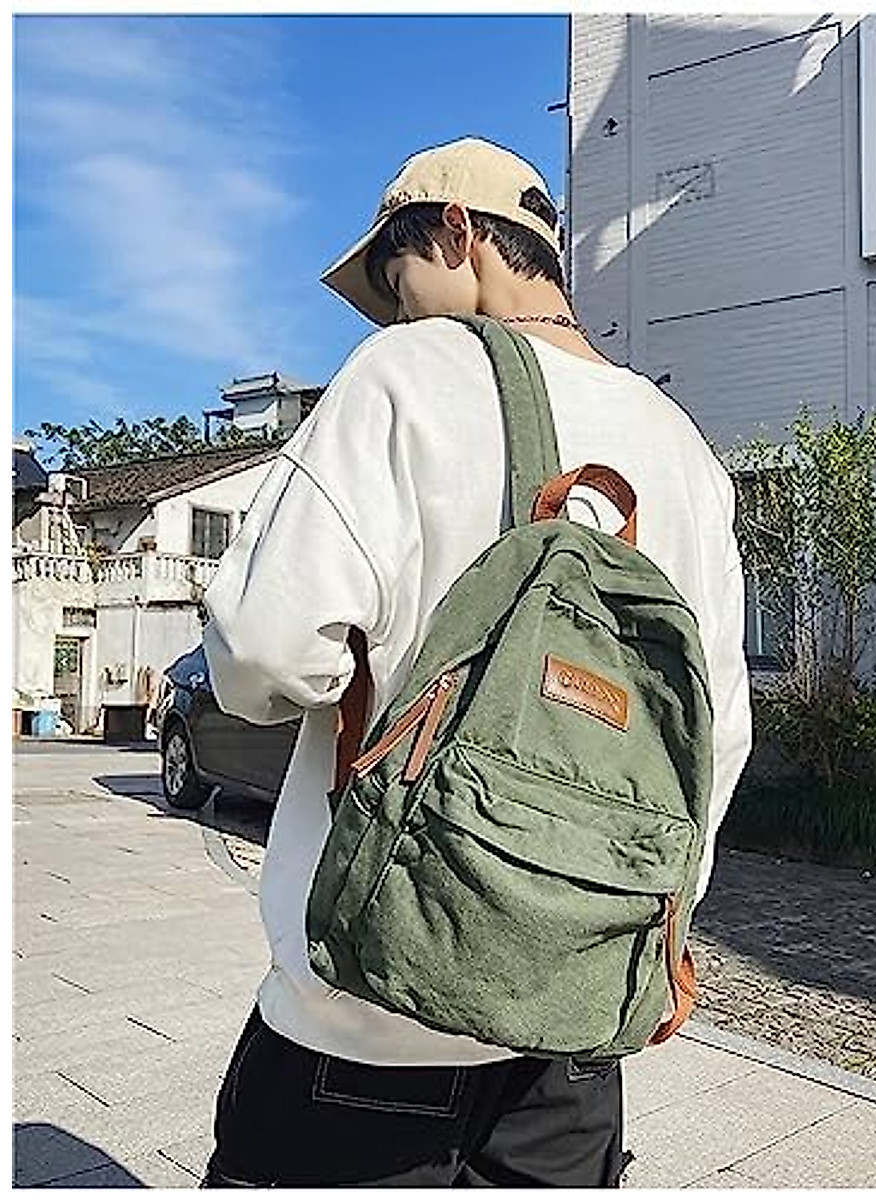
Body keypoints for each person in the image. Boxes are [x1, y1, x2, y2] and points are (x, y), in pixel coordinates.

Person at [199, 136, 752, 1187]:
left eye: (396, 279)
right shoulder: (683, 445)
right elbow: (716, 737)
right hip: (573, 1033)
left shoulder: (406, 374)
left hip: (363, 1020)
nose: (395, 314)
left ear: (458, 232)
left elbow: (262, 656)